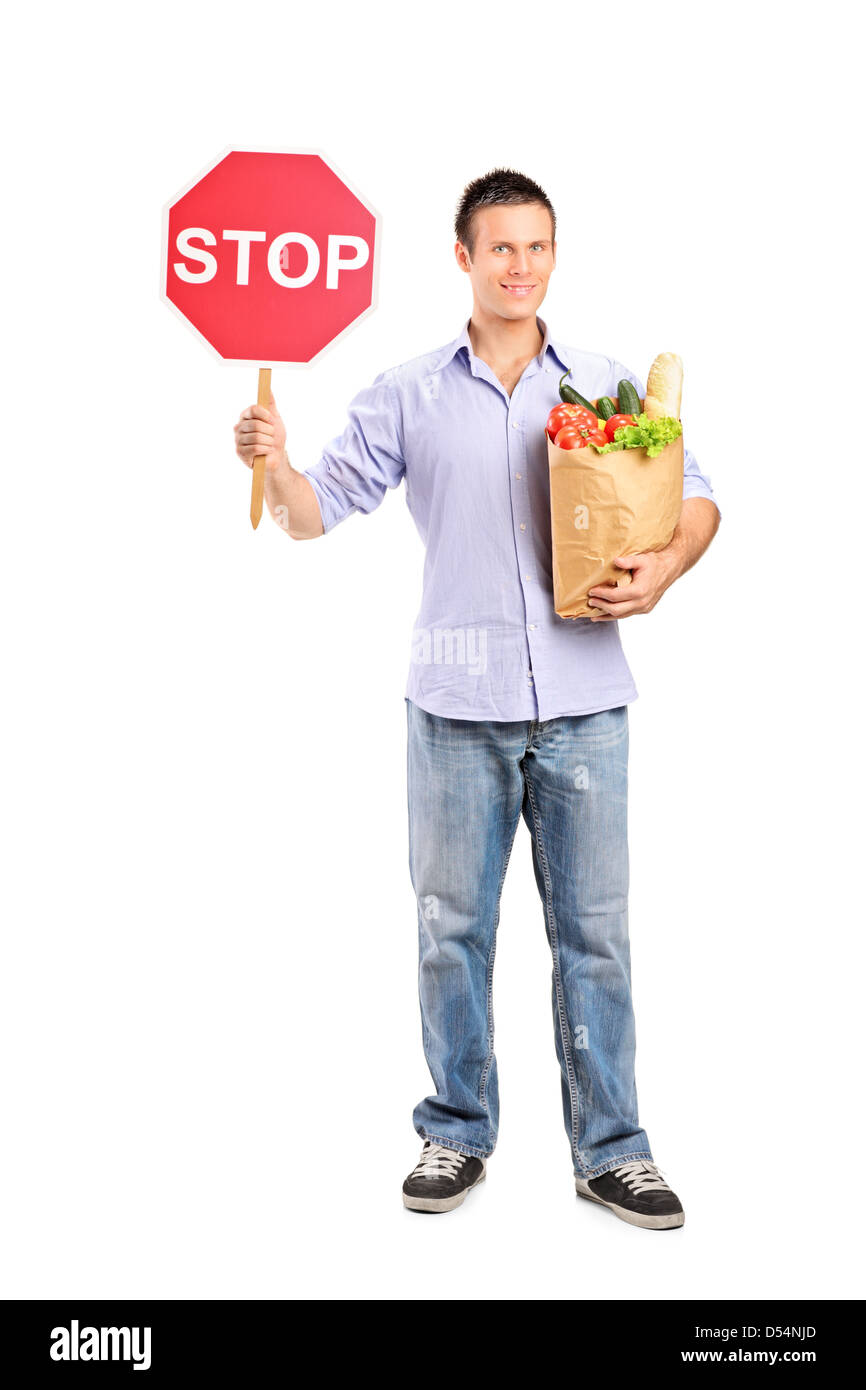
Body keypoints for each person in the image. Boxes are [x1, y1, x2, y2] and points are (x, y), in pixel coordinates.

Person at [233, 169, 721, 1229]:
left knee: (595, 934)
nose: (519, 268)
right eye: (499, 249)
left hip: (585, 701)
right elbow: (315, 515)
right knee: (448, 930)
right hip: (454, 708)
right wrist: (275, 467)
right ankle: (454, 1130)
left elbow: (694, 494)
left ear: (553, 255)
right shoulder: (406, 391)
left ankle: (611, 1151)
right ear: (462, 257)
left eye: (536, 248)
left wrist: (668, 565)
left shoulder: (606, 384)